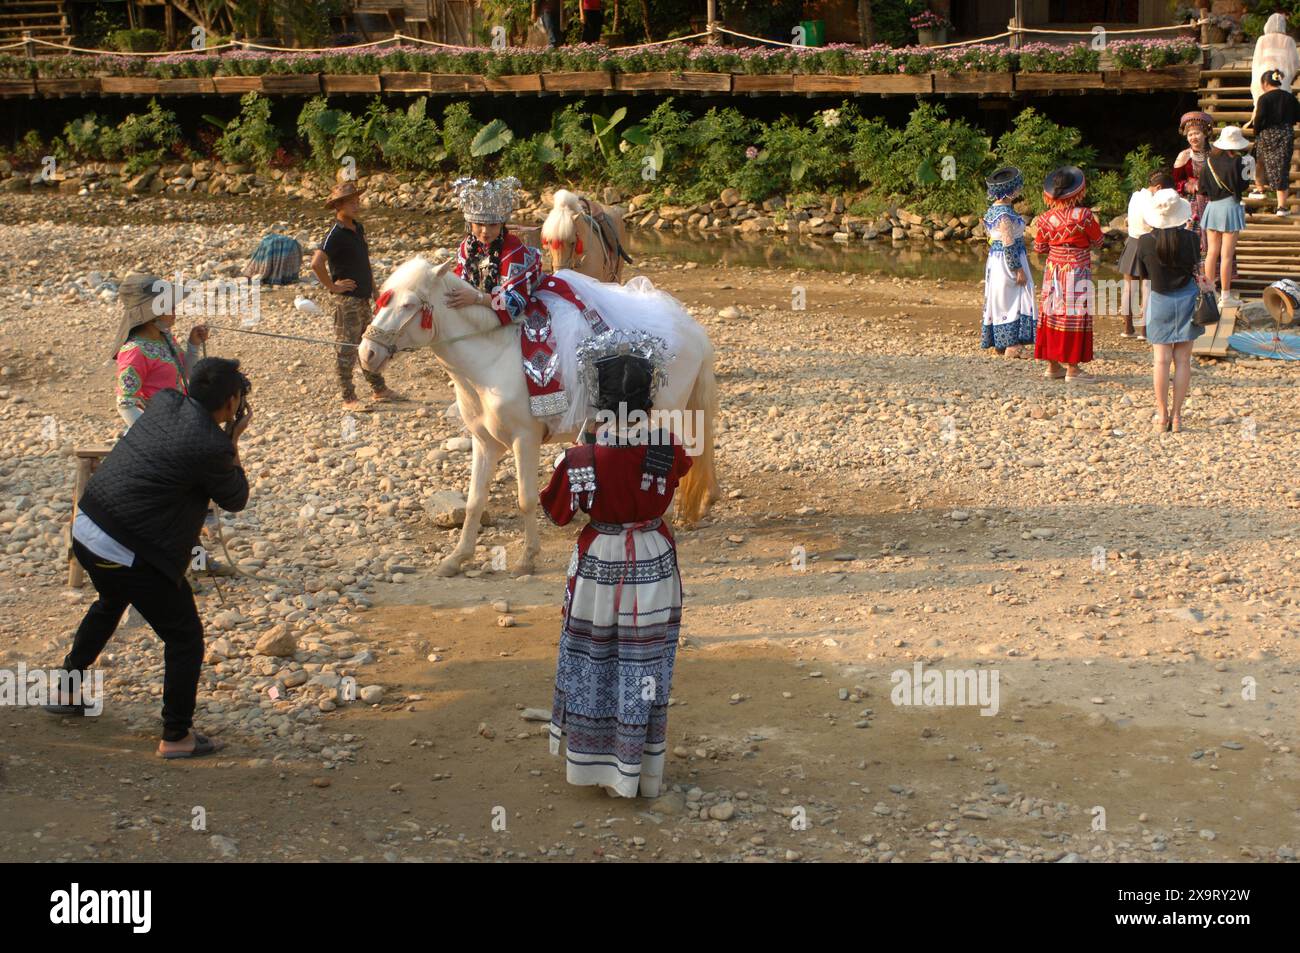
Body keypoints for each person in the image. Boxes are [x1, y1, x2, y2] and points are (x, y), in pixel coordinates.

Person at [46, 358, 253, 759]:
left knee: (110, 600)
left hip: (88, 526)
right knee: (184, 637)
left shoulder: (165, 402)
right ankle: (176, 736)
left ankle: (65, 687)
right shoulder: (212, 446)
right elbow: (236, 499)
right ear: (231, 402)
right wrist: (233, 442)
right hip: (127, 547)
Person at [541, 330, 692, 799]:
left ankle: (594, 764)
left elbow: (558, 513)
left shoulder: (581, 459)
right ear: (648, 398)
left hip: (599, 563)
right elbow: (677, 472)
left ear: (597, 401)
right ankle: (640, 770)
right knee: (644, 664)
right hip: (653, 559)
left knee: (594, 657)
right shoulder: (668, 448)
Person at [310, 181, 402, 409]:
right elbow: (316, 263)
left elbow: (364, 261)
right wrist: (333, 286)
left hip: (362, 298)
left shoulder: (357, 228)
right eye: (351, 202)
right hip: (347, 301)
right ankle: (348, 397)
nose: (356, 205)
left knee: (368, 344)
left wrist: (374, 289)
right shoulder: (335, 233)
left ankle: (378, 388)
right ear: (338, 205)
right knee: (347, 349)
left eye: (357, 201)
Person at [1133, 189, 1209, 434]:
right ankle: (1177, 417)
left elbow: (1144, 275)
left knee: (1161, 361)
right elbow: (1196, 267)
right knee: (1183, 361)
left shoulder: (1145, 241)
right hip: (1187, 298)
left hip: (1159, 300)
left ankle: (1162, 413)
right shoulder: (1190, 238)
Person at [1033, 166, 1104, 383]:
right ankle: (1073, 369)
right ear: (1077, 191)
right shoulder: (1084, 216)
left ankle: (1053, 366)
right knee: (1074, 315)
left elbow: (1039, 248)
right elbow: (1099, 241)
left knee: (1052, 313)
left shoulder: (1044, 219)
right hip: (1077, 268)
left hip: (1054, 268)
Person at [112, 272, 207, 429]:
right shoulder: (135, 351)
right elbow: (125, 404)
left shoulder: (165, 337)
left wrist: (193, 344)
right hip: (157, 430)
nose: (175, 310)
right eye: (168, 306)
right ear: (151, 314)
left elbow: (187, 373)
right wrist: (153, 437)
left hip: (178, 423)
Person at [980, 167, 1036, 358]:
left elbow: (990, 237)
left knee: (1000, 298)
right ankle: (1012, 345)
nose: (1019, 191)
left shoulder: (991, 211)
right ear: (1010, 190)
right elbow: (1008, 242)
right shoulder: (1004, 214)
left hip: (995, 260)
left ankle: (1000, 342)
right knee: (1015, 298)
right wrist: (1017, 268)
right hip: (1007, 260)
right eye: (1017, 188)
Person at [1118, 171, 1175, 339]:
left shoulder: (1136, 195)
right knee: (1148, 288)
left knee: (1129, 288)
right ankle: (1144, 331)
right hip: (1149, 244)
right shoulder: (1153, 201)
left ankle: (1128, 329)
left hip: (1132, 242)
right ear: (1158, 187)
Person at [1201, 126, 1251, 309]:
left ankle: (1208, 293)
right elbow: (1243, 186)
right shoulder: (1240, 161)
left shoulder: (1209, 161)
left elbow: (1201, 188)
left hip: (1212, 208)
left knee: (1211, 252)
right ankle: (1226, 296)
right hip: (1230, 207)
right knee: (1227, 256)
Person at [1247, 70, 1298, 215]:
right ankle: (1281, 206)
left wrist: (1256, 132)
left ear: (1264, 83)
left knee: (1259, 161)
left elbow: (1259, 118)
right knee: (1282, 167)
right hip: (1285, 134)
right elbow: (1298, 114)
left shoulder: (1264, 98)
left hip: (1267, 134)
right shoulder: (1289, 97)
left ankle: (1260, 189)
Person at [1250, 12, 1298, 105]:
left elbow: (1256, 63)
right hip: (1281, 78)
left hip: (1263, 78)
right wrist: (1288, 77)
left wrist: (1255, 81)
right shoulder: (1289, 41)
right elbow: (1294, 63)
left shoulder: (1262, 39)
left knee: (1263, 106)